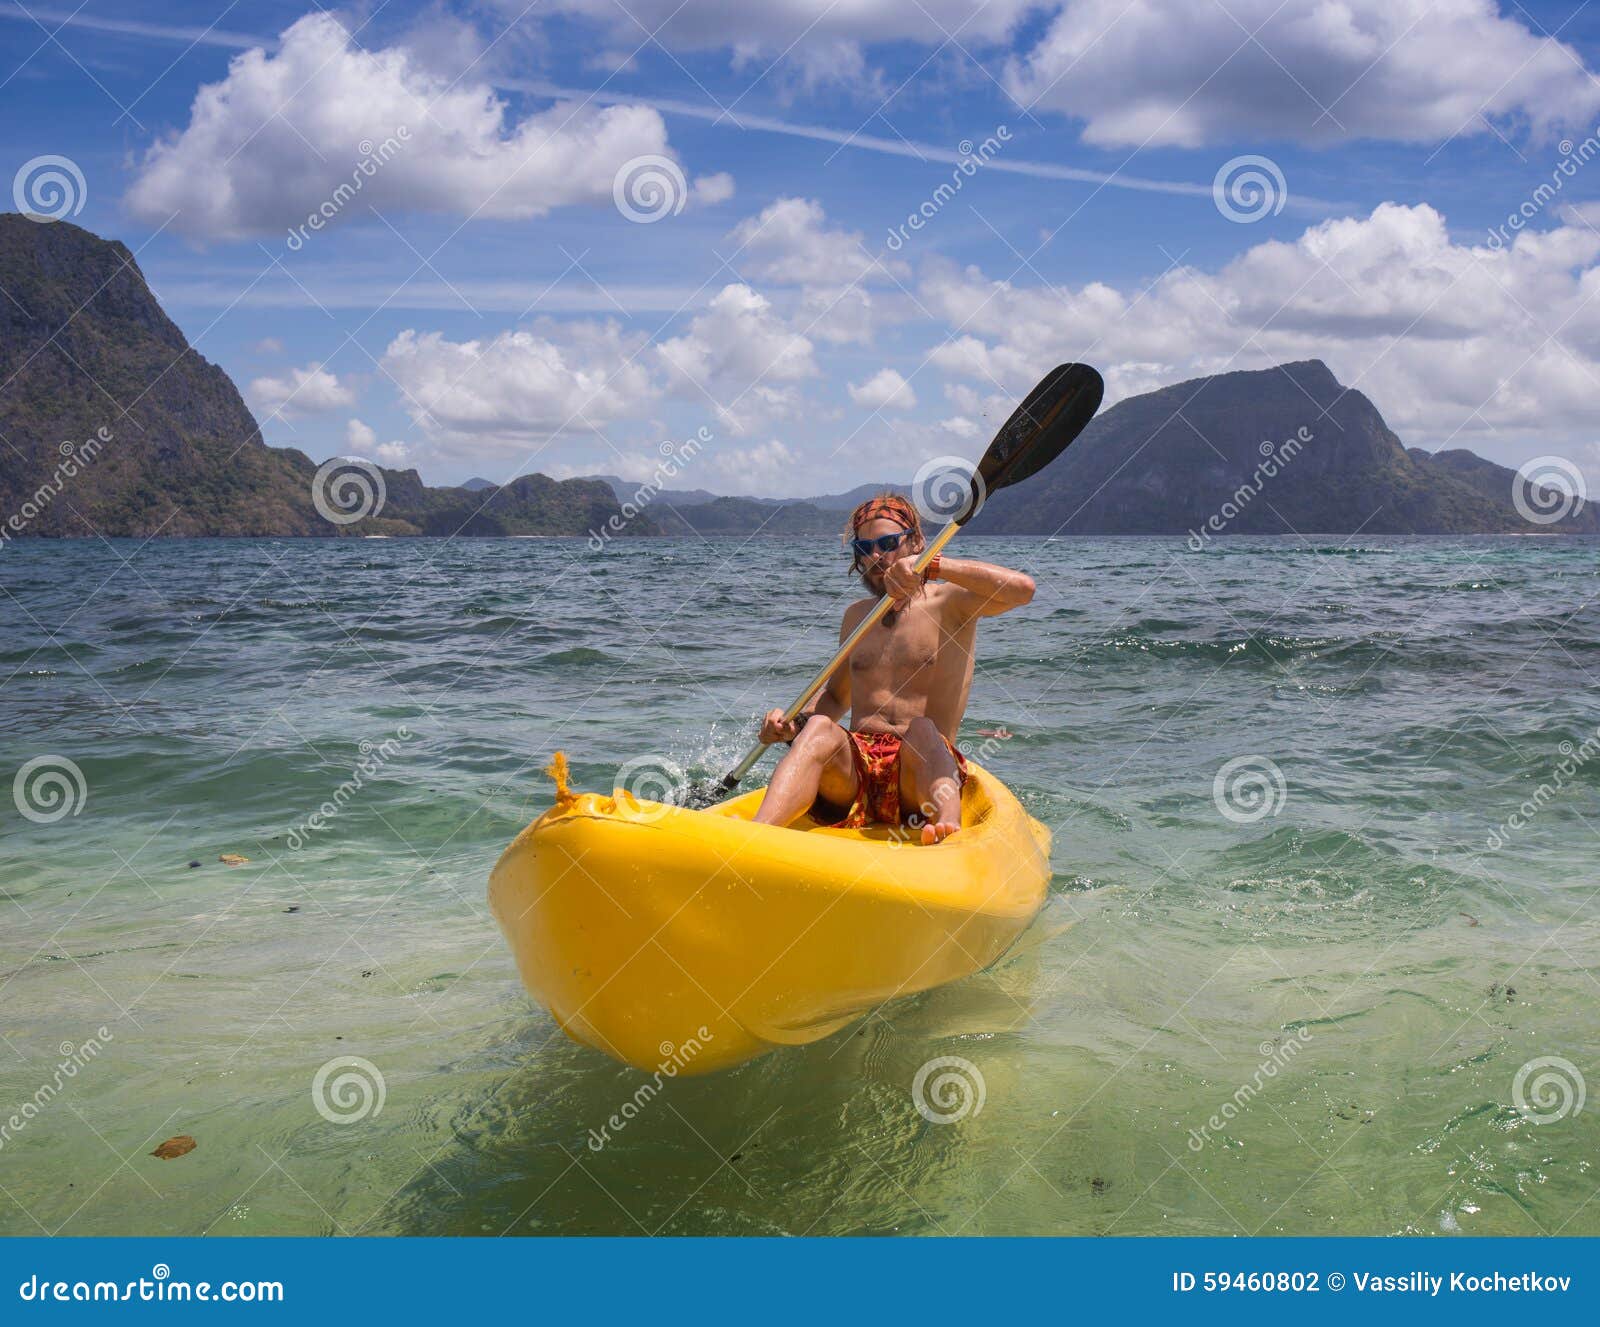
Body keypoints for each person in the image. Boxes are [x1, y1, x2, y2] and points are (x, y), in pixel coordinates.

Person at [752, 492, 1036, 844]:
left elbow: (1022, 590)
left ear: (916, 542)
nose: (875, 557)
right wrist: (790, 726)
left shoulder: (950, 602)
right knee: (821, 728)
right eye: (864, 548)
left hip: (918, 781)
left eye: (887, 543)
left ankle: (949, 832)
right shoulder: (857, 616)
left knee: (921, 730)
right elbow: (835, 698)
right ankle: (754, 836)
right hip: (854, 779)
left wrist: (933, 566)